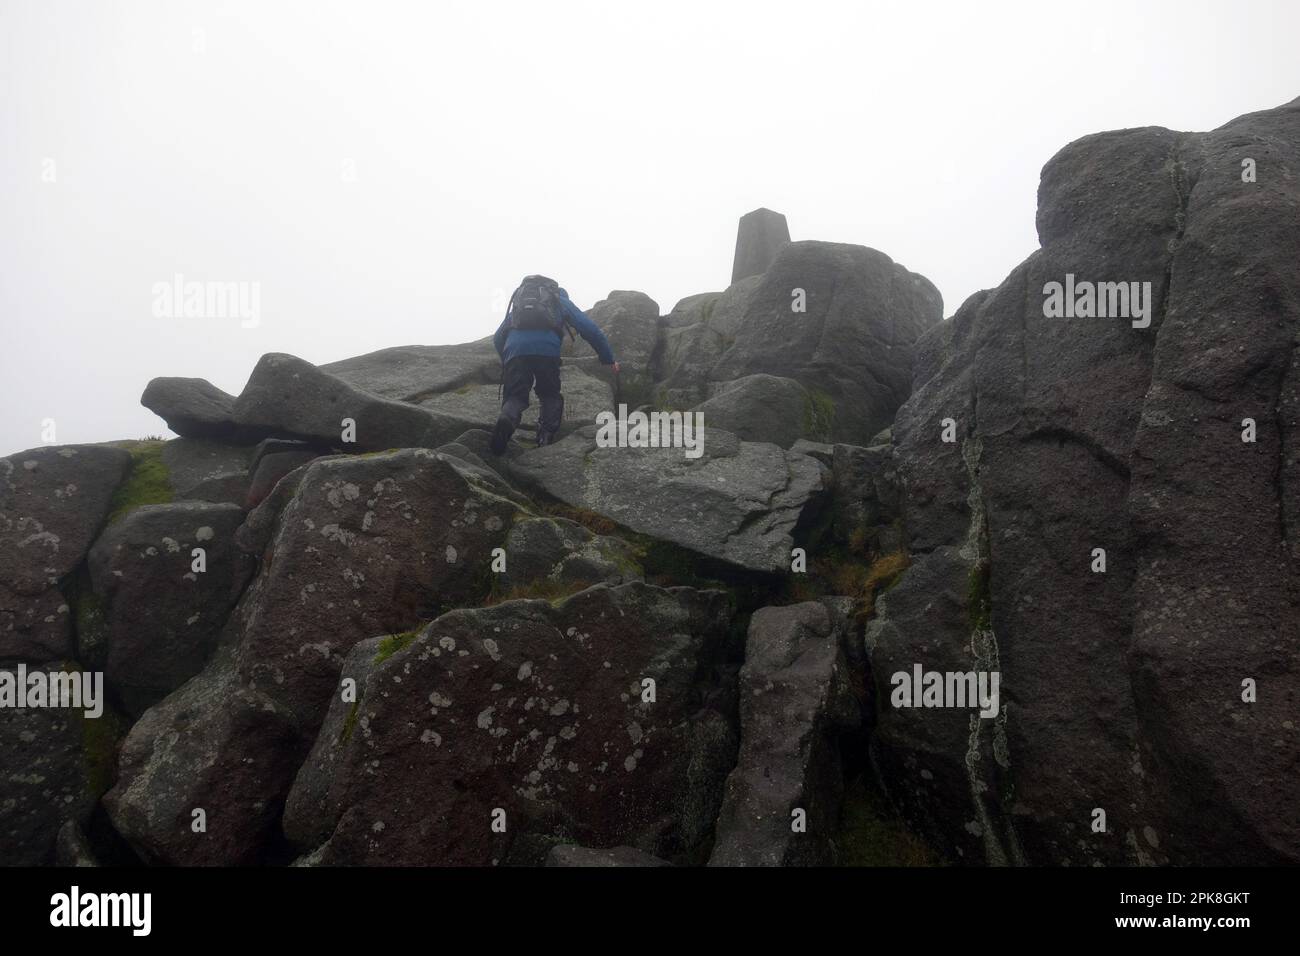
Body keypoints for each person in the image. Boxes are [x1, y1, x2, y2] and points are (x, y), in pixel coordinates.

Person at [490, 275, 619, 454]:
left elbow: (498, 338)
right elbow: (589, 329)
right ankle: (545, 438)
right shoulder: (559, 301)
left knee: (515, 397)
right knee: (549, 394)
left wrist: (507, 359)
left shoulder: (518, 307)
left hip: (515, 351)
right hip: (547, 352)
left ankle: (507, 419)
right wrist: (608, 358)